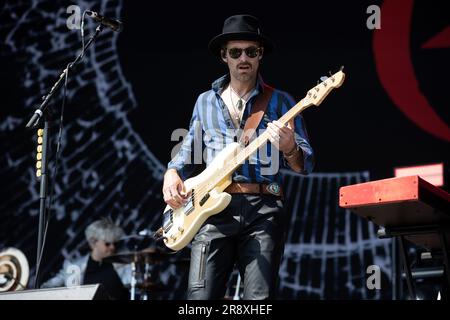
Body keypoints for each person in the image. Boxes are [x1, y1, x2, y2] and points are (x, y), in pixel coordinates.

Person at [162, 14, 314, 300]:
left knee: (258, 301)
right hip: (211, 209)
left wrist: (290, 147)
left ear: (260, 56)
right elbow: (188, 151)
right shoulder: (205, 101)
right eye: (235, 52)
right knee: (199, 300)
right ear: (224, 57)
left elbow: (305, 164)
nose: (243, 58)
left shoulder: (282, 102)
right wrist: (172, 172)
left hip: (263, 210)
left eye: (251, 51)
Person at [41, 218, 131, 300]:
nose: (112, 247)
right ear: (93, 242)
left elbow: (136, 288)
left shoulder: (123, 265)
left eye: (114, 243)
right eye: (107, 243)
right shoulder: (74, 266)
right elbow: (47, 287)